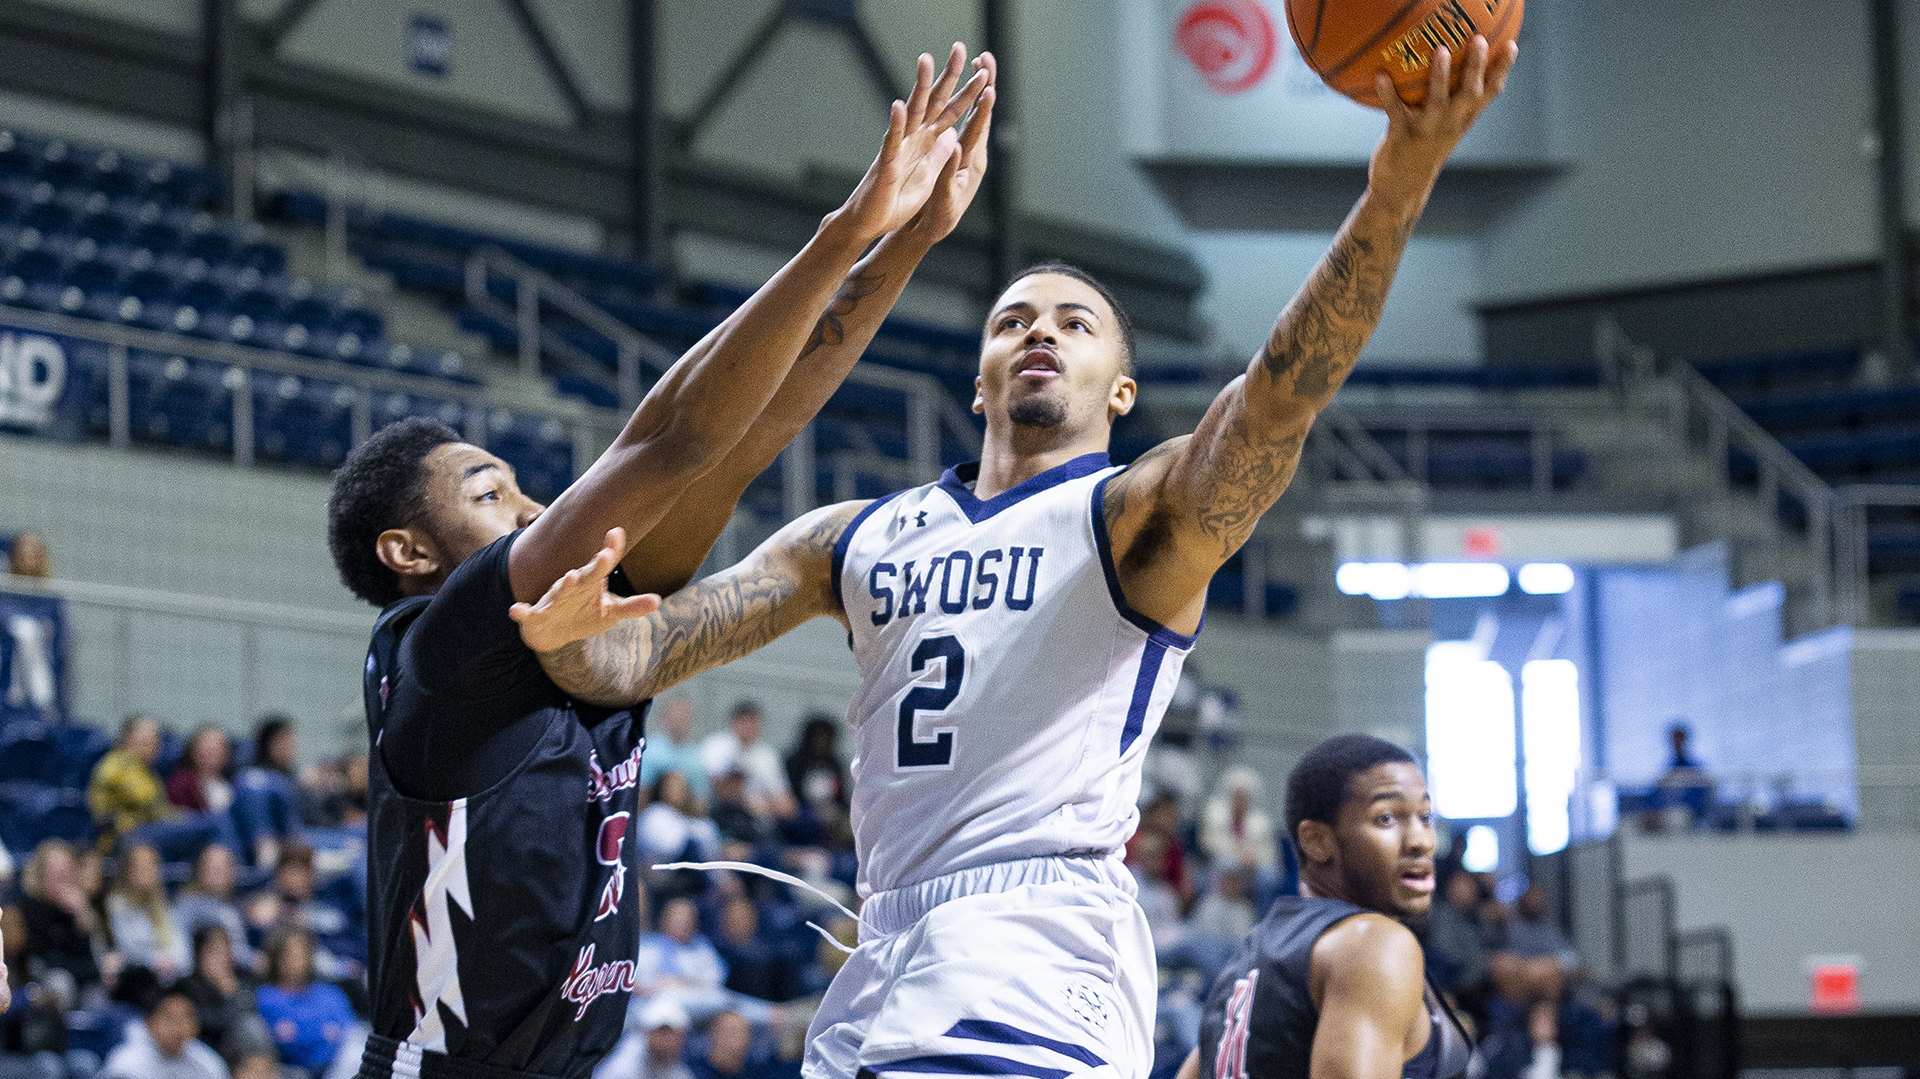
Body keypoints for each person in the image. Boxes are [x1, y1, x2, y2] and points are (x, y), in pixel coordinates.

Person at [513, 36, 1514, 1079]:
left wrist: (1394, 194)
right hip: (882, 941)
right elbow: (645, 654)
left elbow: (1277, 398)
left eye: (1076, 324)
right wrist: (575, 642)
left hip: (1036, 934)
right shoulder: (849, 536)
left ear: (1121, 391)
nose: (1041, 331)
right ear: (980, 375)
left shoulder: (1133, 517)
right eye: (1013, 319)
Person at [332, 45, 995, 1079]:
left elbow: (744, 437)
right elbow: (668, 439)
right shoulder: (443, 645)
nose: (530, 503)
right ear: (409, 550)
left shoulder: (585, 624)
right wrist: (846, 226)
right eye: (488, 492)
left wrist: (906, 245)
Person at [1180, 734, 1470, 1079]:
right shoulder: (1372, 943)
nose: (1420, 841)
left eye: (1425, 816)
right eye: (1387, 818)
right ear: (1317, 841)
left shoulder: (1250, 955)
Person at [254, 926, 357, 1077]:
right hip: (290, 1070)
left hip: (336, 1067)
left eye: (301, 954)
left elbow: (348, 1034)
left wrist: (297, 1031)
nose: (297, 961)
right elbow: (280, 1042)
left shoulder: (332, 994)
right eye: (289, 955)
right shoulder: (266, 996)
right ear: (276, 958)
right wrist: (322, 1031)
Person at [177, 924, 275, 1064]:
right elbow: (211, 1024)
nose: (221, 957)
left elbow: (256, 1007)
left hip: (246, 1052)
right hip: (210, 1051)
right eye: (213, 951)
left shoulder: (242, 976)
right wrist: (227, 994)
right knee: (250, 1025)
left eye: (225, 949)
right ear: (198, 954)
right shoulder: (187, 986)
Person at [97, 983, 230, 1079]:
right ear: (149, 1023)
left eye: (186, 1017)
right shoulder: (126, 1064)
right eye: (169, 1018)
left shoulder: (209, 1063)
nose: (178, 1026)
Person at [104, 841, 191, 982]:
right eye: (141, 866)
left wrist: (167, 963)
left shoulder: (165, 909)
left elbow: (185, 958)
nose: (148, 871)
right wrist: (155, 961)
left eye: (152, 866)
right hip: (134, 981)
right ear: (128, 870)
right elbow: (126, 951)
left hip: (169, 981)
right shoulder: (115, 904)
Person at [699, 703, 797, 822]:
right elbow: (714, 789)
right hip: (717, 815)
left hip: (757, 823)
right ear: (733, 723)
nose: (748, 727)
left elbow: (788, 805)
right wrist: (746, 802)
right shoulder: (715, 746)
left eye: (753, 722)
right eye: (743, 722)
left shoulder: (767, 756)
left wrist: (764, 806)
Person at [174, 844, 257, 973]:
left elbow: (239, 948)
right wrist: (255, 961)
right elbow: (182, 949)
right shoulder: (189, 906)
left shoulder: (231, 907)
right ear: (200, 871)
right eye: (213, 868)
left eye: (224, 867)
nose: (218, 873)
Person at [592, 995, 694, 1079]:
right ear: (646, 1033)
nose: (664, 1040)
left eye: (670, 1033)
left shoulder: (683, 1063)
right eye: (659, 1032)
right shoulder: (625, 1067)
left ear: (682, 1036)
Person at [640, 699, 711, 804]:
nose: (679, 720)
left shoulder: (696, 756)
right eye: (675, 715)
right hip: (654, 811)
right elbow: (640, 794)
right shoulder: (649, 749)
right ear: (664, 718)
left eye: (683, 716)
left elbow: (701, 800)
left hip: (686, 814)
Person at [166, 726, 236, 817]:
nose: (212, 751)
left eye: (218, 746)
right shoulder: (180, 784)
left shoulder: (234, 782)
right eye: (206, 746)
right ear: (193, 751)